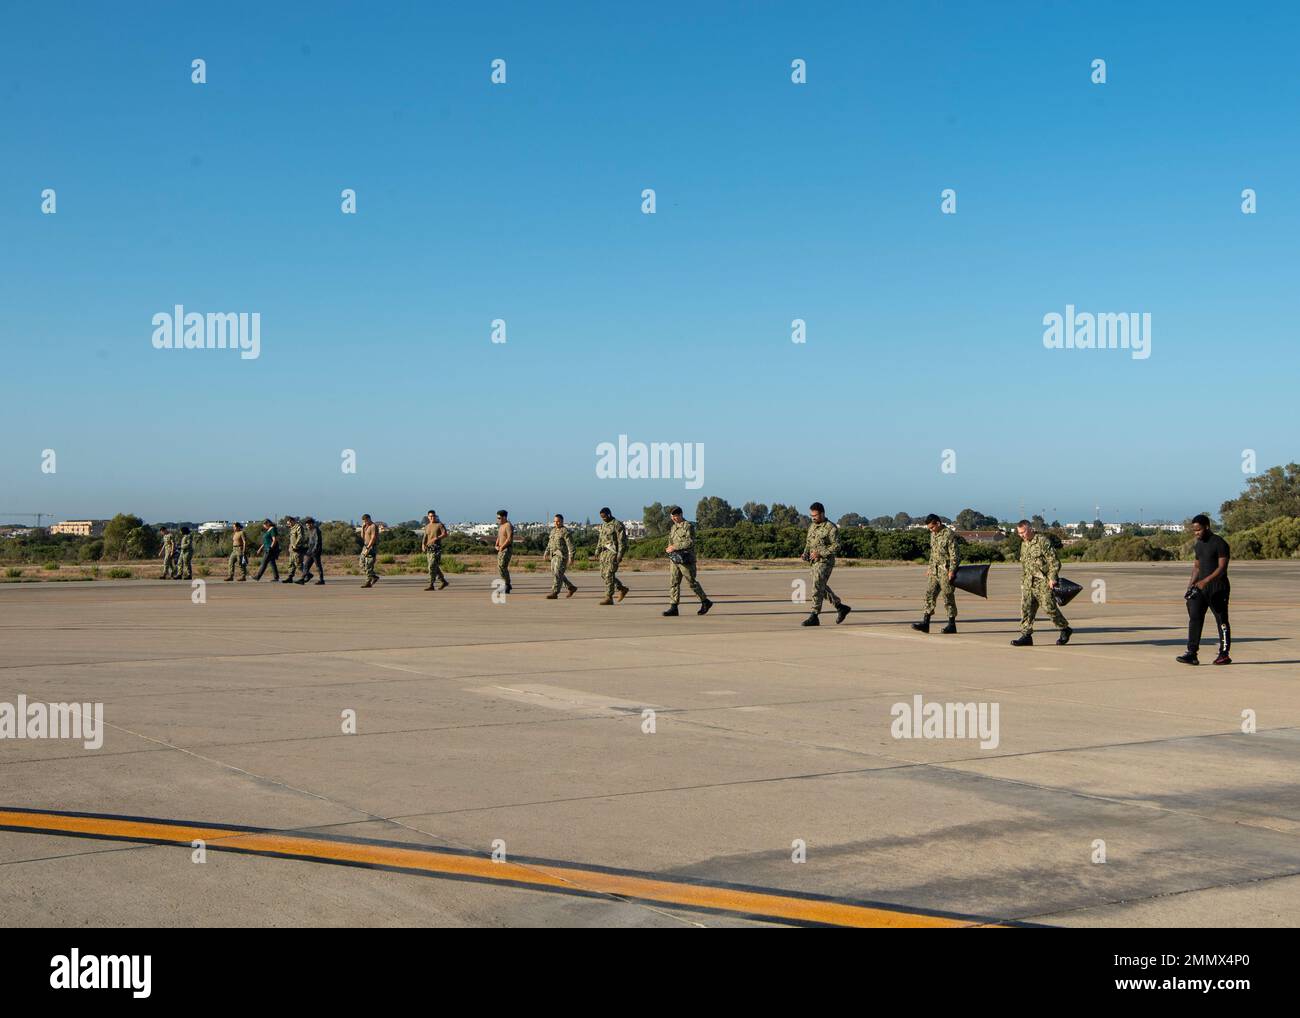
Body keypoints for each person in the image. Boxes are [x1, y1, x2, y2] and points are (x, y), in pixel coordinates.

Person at [1178, 514, 1231, 666]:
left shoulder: (1219, 543)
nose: (1196, 533)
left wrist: (1205, 581)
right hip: (1200, 589)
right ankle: (1191, 653)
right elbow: (1196, 567)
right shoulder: (1198, 544)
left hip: (1218, 588)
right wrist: (1191, 585)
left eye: (1198, 530)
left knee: (1221, 620)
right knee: (1194, 618)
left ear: (1207, 527)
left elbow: (1222, 568)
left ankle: (1224, 654)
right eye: (1194, 530)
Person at [1011, 520, 1071, 646]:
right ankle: (1026, 635)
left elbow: (1054, 561)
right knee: (1026, 609)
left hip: (1043, 582)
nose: (1022, 535)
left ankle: (1064, 628)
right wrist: (1023, 582)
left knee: (1049, 608)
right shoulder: (1024, 544)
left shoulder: (1042, 541)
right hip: (1028, 582)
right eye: (1019, 533)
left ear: (1030, 529)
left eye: (1023, 532)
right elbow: (1025, 565)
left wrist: (1052, 578)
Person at [801, 502, 850, 626]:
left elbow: (837, 546)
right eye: (811, 515)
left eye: (815, 515)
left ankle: (814, 615)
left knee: (817, 585)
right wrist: (805, 553)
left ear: (822, 513)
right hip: (813, 562)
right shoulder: (812, 526)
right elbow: (809, 542)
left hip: (825, 561)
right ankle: (840, 607)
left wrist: (820, 553)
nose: (813, 518)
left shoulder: (831, 527)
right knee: (820, 586)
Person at [912, 514, 959, 633]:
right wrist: (929, 567)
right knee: (929, 593)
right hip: (934, 570)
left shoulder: (949, 534)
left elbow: (954, 555)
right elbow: (933, 553)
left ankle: (951, 624)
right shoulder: (933, 535)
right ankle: (925, 623)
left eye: (932, 527)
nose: (931, 530)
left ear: (938, 523)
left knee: (947, 596)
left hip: (945, 570)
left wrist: (952, 570)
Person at [663, 506, 712, 617]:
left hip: (686, 559)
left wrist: (674, 547)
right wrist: (669, 549)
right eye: (672, 516)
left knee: (691, 582)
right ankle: (674, 606)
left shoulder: (688, 526)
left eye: (675, 516)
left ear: (680, 515)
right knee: (673, 582)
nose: (674, 518)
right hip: (675, 559)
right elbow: (670, 541)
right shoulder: (673, 527)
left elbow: (690, 542)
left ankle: (705, 601)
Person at [596, 507, 630, 605]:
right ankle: (622, 588)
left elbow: (622, 541)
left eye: (604, 516)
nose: (603, 518)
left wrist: (619, 555)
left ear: (609, 514)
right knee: (603, 575)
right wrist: (597, 550)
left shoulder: (617, 524)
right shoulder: (603, 525)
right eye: (601, 517)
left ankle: (609, 597)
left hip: (613, 553)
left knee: (609, 574)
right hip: (604, 553)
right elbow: (600, 539)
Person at [544, 514, 577, 599]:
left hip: (562, 556)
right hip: (553, 555)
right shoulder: (553, 531)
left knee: (558, 573)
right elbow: (549, 543)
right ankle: (571, 587)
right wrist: (546, 552)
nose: (556, 523)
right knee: (556, 573)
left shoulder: (565, 531)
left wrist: (571, 557)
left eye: (558, 521)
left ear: (562, 521)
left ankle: (555, 592)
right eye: (555, 521)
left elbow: (571, 545)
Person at [421, 510, 449, 591]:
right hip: (429, 548)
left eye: (433, 516)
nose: (432, 517)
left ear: (435, 516)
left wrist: (436, 538)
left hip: (436, 548)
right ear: (428, 517)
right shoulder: (427, 526)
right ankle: (443, 581)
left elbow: (445, 534)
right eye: (430, 516)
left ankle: (431, 584)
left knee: (431, 566)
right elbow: (425, 537)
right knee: (434, 567)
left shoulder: (439, 525)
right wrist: (423, 545)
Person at [298, 517, 325, 585]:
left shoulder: (316, 530)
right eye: (306, 525)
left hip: (315, 551)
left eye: (308, 525)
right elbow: (310, 542)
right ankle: (302, 579)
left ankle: (321, 580)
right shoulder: (310, 530)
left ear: (311, 524)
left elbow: (317, 541)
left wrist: (314, 550)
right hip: (310, 550)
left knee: (318, 565)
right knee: (306, 565)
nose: (307, 526)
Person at [495, 510, 514, 593]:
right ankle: (506, 584)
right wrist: (496, 545)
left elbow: (509, 539)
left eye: (499, 518)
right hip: (500, 549)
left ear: (504, 517)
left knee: (502, 566)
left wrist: (502, 547)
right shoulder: (501, 526)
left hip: (506, 549)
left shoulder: (508, 525)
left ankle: (507, 584)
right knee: (500, 567)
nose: (498, 520)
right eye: (497, 518)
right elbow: (499, 537)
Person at [282, 516, 305, 583]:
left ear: (292, 521)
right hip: (292, 549)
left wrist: (296, 545)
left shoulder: (298, 527)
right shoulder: (292, 528)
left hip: (297, 548)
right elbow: (292, 539)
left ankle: (307, 574)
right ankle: (290, 577)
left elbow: (300, 537)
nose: (288, 524)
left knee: (298, 564)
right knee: (291, 564)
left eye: (288, 523)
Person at [359, 514, 379, 588]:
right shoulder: (366, 526)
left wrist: (368, 548)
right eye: (364, 521)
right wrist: (362, 528)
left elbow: (373, 538)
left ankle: (368, 582)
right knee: (361, 564)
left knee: (369, 565)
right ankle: (373, 576)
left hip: (371, 547)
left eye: (366, 521)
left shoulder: (373, 526)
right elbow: (362, 537)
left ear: (369, 519)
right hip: (365, 546)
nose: (365, 522)